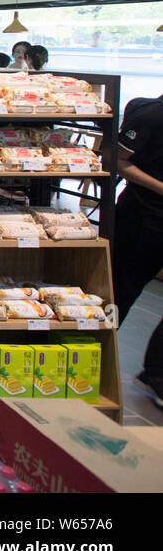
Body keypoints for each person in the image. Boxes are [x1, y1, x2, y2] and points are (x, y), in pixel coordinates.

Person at [115, 93, 163, 408]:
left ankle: (156, 374)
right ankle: (87, 353)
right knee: (121, 290)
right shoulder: (150, 116)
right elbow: (114, 160)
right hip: (142, 219)